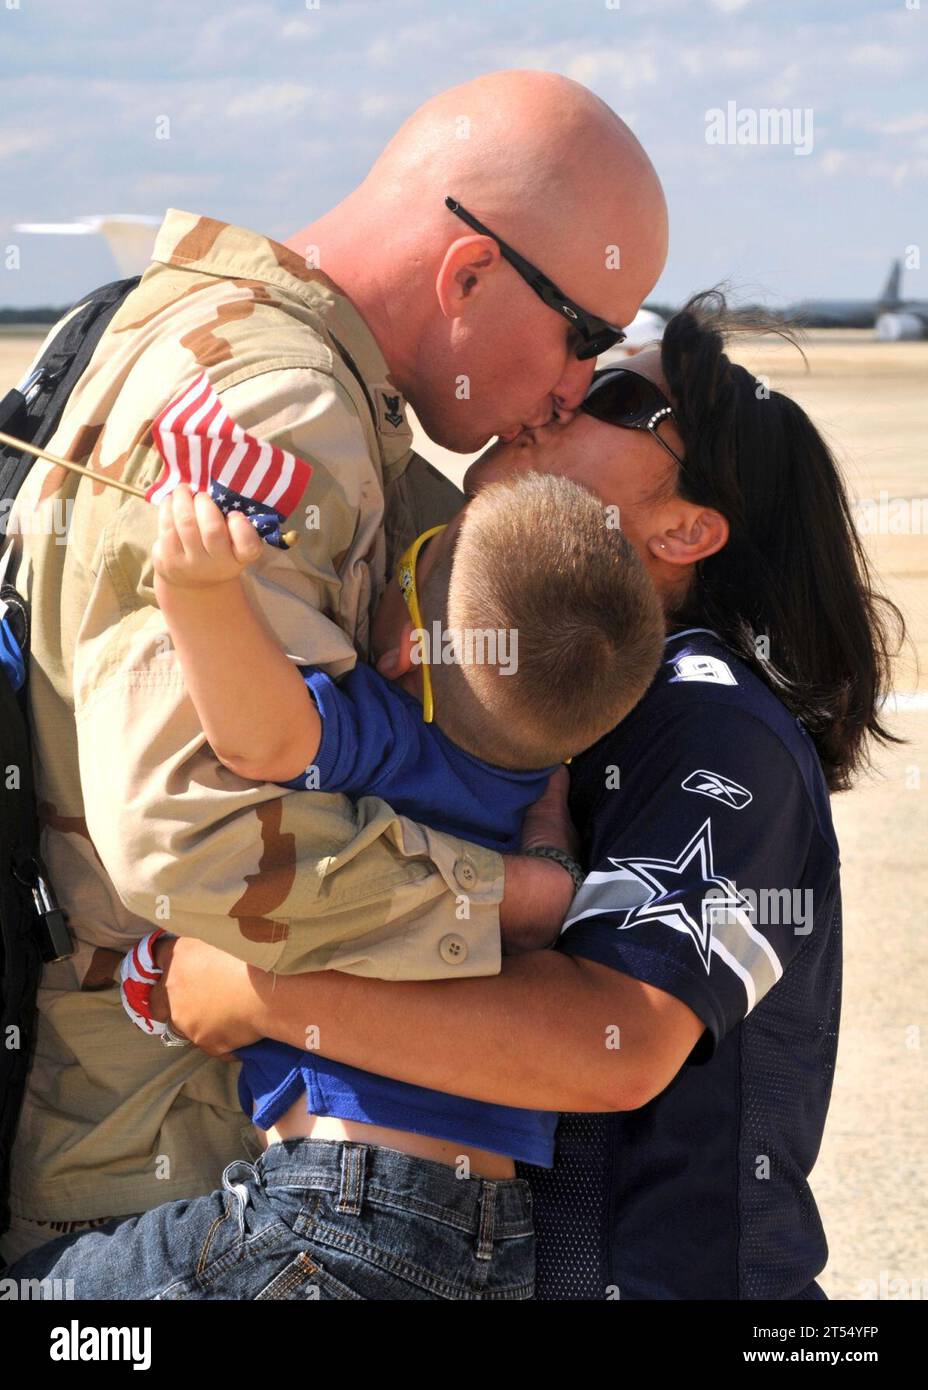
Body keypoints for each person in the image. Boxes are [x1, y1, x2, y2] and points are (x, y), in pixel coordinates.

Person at [0, 69, 668, 1265]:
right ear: (468, 274)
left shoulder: (170, 326)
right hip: (177, 1161)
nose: (573, 386)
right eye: (585, 338)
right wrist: (508, 902)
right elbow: (196, 832)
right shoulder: (287, 407)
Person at [129, 294, 902, 1300]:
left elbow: (614, 1041)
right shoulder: (535, 695)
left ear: (686, 528)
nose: (554, 399)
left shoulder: (713, 725)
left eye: (614, 393)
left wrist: (259, 989)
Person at [8, 472, 665, 1299]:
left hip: (338, 1207)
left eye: (409, 559)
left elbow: (263, 737)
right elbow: (544, 886)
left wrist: (196, 588)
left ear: (406, 651)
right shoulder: (539, 787)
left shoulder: (393, 739)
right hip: (490, 1234)